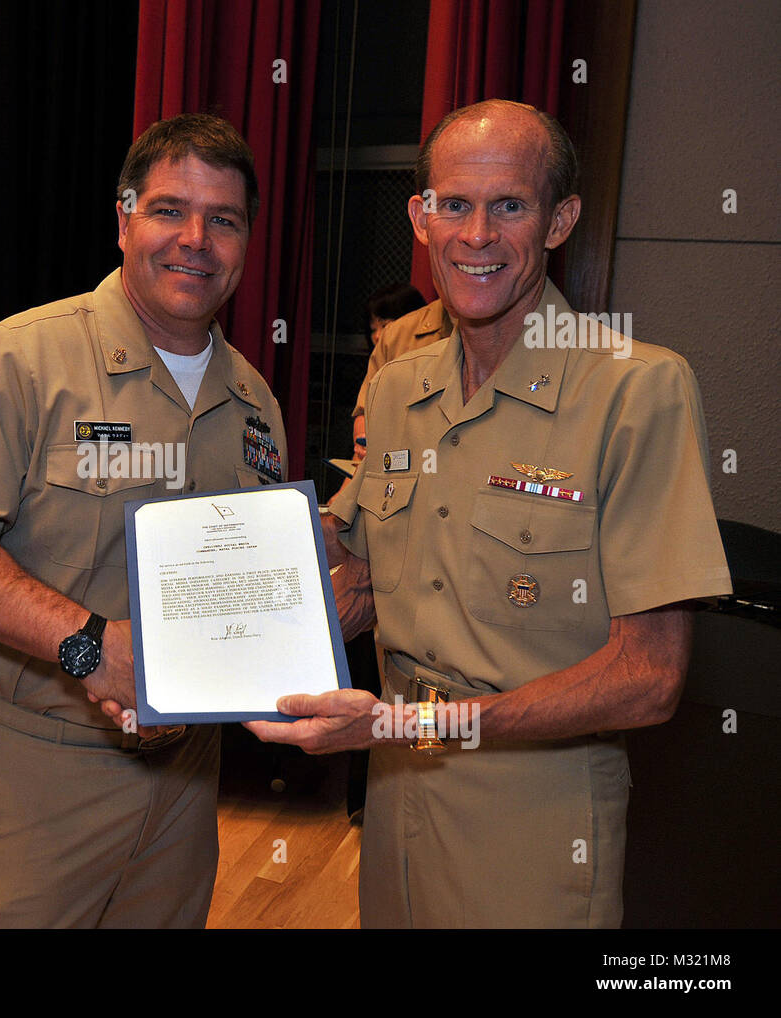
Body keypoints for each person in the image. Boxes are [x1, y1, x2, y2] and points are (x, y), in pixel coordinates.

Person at [248, 100, 732, 927]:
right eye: (454, 205)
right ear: (421, 218)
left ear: (559, 220)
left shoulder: (635, 389)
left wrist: (416, 723)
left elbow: (650, 678)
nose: (476, 235)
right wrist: (196, 662)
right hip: (396, 795)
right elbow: (362, 583)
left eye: (509, 205)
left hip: (533, 812)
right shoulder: (400, 385)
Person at [0, 113, 287, 928]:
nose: (195, 240)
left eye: (224, 220)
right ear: (123, 219)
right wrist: (88, 645)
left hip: (187, 783)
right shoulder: (21, 361)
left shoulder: (256, 404)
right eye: (169, 210)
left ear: (248, 241)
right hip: (31, 773)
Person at [351, 285, 449, 461]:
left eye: (385, 325)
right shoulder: (392, 341)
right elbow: (364, 413)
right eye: (373, 329)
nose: (378, 336)